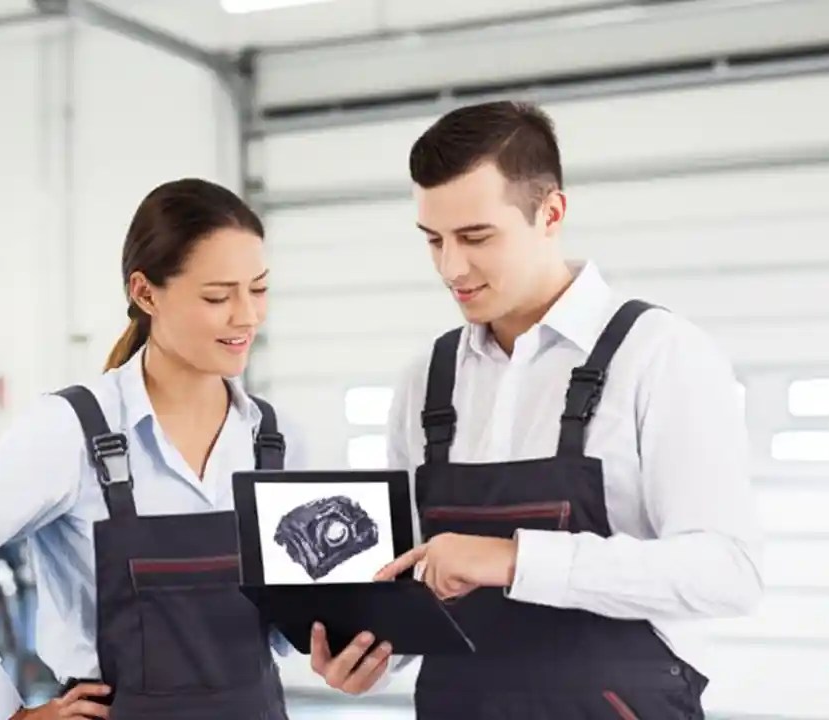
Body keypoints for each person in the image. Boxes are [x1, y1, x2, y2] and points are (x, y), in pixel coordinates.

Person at [308, 100, 764, 718]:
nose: (451, 267)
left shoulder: (660, 354)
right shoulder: (425, 380)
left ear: (551, 213)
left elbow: (727, 573)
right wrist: (376, 653)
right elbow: (420, 574)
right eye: (434, 240)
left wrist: (514, 559)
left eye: (476, 237)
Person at [0, 178, 299, 720]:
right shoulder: (70, 432)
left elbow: (292, 624)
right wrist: (5, 712)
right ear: (145, 293)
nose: (246, 315)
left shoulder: (272, 437)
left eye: (259, 289)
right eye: (217, 297)